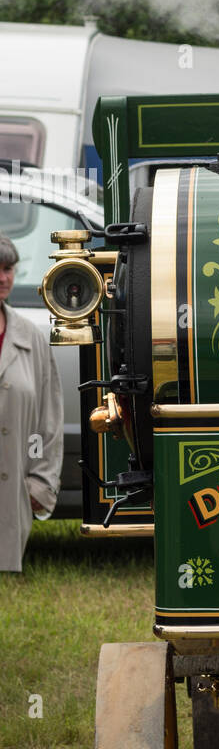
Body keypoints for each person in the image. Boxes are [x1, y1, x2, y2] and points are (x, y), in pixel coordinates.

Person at [0, 233, 63, 572]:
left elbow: (45, 423)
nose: (2, 277)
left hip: (11, 505)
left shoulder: (30, 338)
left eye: (8, 268)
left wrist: (38, 480)